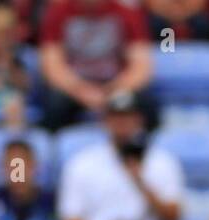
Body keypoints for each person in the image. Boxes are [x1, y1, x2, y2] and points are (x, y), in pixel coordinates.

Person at [56, 90, 183, 220]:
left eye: (128, 117)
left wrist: (140, 181)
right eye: (116, 117)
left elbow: (173, 218)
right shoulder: (82, 163)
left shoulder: (162, 162)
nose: (122, 124)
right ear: (105, 121)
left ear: (139, 120)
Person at [38, 0, 152, 130]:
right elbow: (52, 65)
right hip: (74, 85)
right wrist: (81, 90)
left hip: (115, 83)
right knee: (55, 105)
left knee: (146, 105)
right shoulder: (57, 13)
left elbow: (141, 66)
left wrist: (114, 90)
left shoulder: (128, 13)